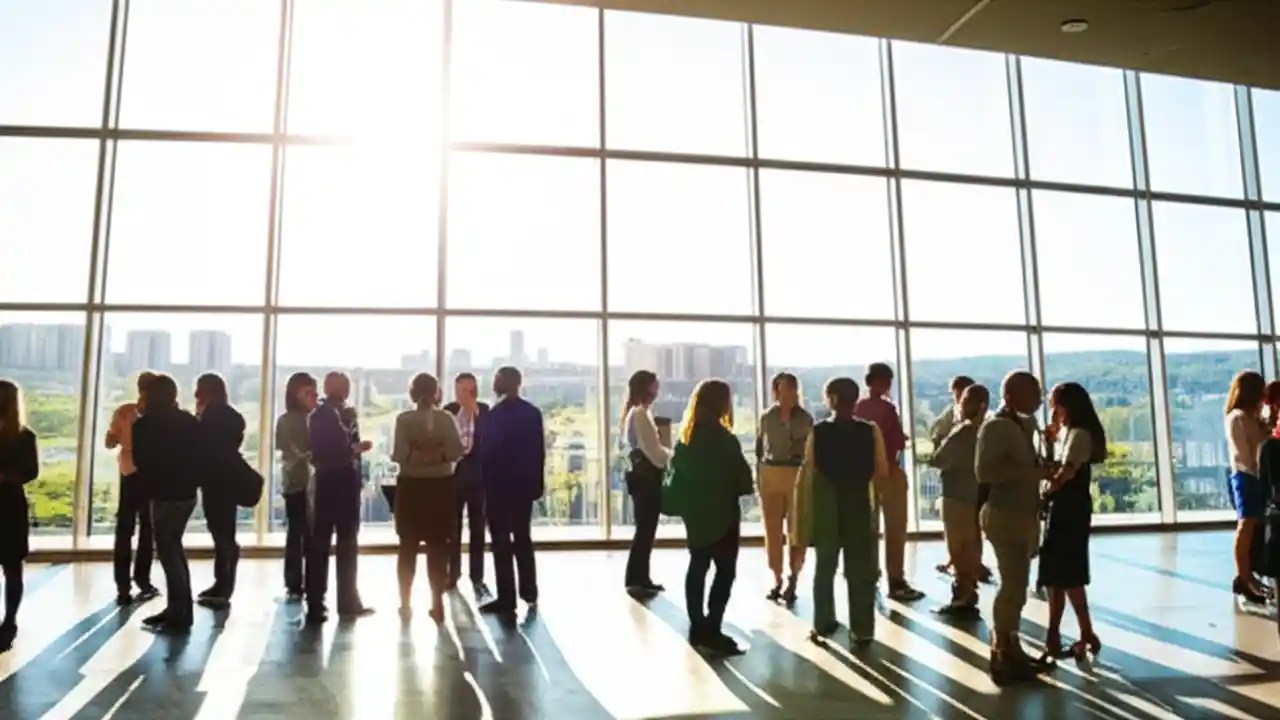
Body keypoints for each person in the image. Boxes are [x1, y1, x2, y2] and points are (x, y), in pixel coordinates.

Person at [794, 377, 887, 648]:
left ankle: (822, 623)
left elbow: (810, 472)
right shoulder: (870, 431)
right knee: (861, 570)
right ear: (855, 399)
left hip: (827, 507)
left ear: (831, 399)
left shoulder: (819, 432)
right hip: (859, 505)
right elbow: (880, 471)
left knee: (825, 568)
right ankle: (863, 629)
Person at [977, 371, 1056, 684]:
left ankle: (1011, 645)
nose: (1038, 398)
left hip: (1022, 514)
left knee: (1017, 584)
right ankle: (1002, 651)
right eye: (1032, 392)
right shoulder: (996, 428)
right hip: (1004, 514)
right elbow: (985, 471)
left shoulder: (1026, 425)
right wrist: (1032, 473)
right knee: (1012, 583)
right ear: (1010, 395)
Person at [664, 379, 753, 655]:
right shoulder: (726, 440)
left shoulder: (687, 438)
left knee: (698, 565)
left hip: (696, 514)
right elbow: (743, 481)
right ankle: (713, 628)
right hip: (723, 514)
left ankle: (697, 626)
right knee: (724, 572)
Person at [1039, 382, 1107, 660]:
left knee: (1062, 572)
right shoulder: (1073, 433)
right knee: (1066, 573)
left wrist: (1045, 491)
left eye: (1056, 403)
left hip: (1067, 507)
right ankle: (1079, 631)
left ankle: (1061, 632)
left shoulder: (1078, 435)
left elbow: (1066, 472)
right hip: (1071, 506)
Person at [132, 374, 202, 635]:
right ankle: (180, 609)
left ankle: (178, 613)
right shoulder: (189, 421)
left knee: (169, 554)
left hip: (163, 495)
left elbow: (141, 462)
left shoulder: (144, 425)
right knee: (175, 553)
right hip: (186, 494)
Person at [392, 373, 464, 623]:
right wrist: (438, 454)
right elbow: (456, 451)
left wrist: (418, 454)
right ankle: (436, 602)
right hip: (440, 487)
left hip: (411, 488)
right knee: (437, 547)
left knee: (407, 547)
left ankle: (405, 603)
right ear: (436, 392)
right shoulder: (446, 419)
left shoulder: (404, 420)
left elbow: (399, 454)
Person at [307, 371, 375, 623]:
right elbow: (335, 447)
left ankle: (319, 602)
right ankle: (342, 601)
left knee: (322, 543)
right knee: (341, 542)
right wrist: (355, 448)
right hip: (338, 481)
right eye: (342, 386)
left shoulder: (325, 414)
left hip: (332, 481)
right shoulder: (327, 415)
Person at [478, 366, 545, 620]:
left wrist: (485, 486)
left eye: (496, 378)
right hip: (523, 487)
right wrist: (536, 485)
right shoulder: (532, 413)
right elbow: (539, 453)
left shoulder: (495, 414)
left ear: (505, 382)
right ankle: (530, 591)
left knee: (501, 543)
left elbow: (489, 453)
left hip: (499, 488)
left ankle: (507, 597)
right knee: (523, 539)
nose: (493, 382)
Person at [854, 362, 923, 602]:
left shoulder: (857, 408)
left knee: (868, 528)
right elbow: (895, 441)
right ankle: (896, 579)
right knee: (895, 528)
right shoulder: (887, 408)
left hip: (863, 474)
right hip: (890, 472)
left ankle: (869, 573)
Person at [930, 383, 989, 617]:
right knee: (973, 543)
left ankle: (962, 595)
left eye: (964, 400)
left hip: (955, 494)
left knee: (958, 546)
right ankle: (969, 591)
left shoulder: (963, 431)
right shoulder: (987, 431)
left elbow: (939, 459)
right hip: (975, 495)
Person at [755, 372, 813, 606]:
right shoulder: (767, 417)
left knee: (797, 528)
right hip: (771, 472)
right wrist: (758, 476)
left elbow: (809, 450)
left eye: (792, 389)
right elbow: (760, 447)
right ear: (776, 392)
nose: (789, 394)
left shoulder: (805, 418)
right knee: (772, 529)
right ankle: (776, 577)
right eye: (783, 389)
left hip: (796, 473)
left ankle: (793, 578)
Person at [105, 371, 160, 607]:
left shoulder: (124, 411)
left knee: (124, 529)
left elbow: (109, 442)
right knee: (148, 529)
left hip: (128, 473)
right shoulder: (160, 416)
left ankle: (122, 586)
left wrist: (118, 436)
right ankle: (143, 580)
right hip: (151, 475)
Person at [195, 373, 246, 610]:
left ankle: (223, 587)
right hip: (229, 480)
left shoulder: (209, 415)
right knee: (226, 532)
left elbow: (202, 445)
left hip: (214, 481)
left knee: (221, 535)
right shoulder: (233, 416)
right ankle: (223, 584)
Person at [621, 370, 672, 598]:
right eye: (654, 386)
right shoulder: (641, 414)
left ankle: (639, 577)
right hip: (646, 479)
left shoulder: (634, 413)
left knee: (644, 529)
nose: (657, 390)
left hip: (638, 478)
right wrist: (671, 457)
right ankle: (638, 578)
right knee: (645, 530)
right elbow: (652, 449)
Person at [443, 373, 491, 598]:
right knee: (451, 528)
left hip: (479, 477)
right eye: (462, 390)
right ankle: (452, 573)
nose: (466, 395)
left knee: (478, 528)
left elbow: (489, 439)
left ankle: (477, 575)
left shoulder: (485, 410)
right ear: (455, 390)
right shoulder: (448, 410)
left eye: (470, 390)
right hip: (453, 477)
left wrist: (476, 412)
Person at [1225, 370, 1270, 604]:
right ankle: (1244, 577)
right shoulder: (1239, 418)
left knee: (1251, 528)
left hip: (1251, 476)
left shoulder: (1248, 417)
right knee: (1246, 526)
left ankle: (1248, 575)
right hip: (1246, 476)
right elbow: (1246, 452)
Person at [0, 380, 38, 651]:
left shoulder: (25, 436)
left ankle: (9, 622)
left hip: (9, 504)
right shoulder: (25, 436)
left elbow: (29, 472)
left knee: (12, 568)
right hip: (11, 505)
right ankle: (9, 623)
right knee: (13, 568)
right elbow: (30, 472)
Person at [276, 372, 318, 602]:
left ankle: (297, 581)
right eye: (307, 393)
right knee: (298, 532)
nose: (313, 397)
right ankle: (296, 580)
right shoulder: (290, 420)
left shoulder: (311, 418)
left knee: (301, 532)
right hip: (297, 482)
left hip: (303, 482)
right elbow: (291, 452)